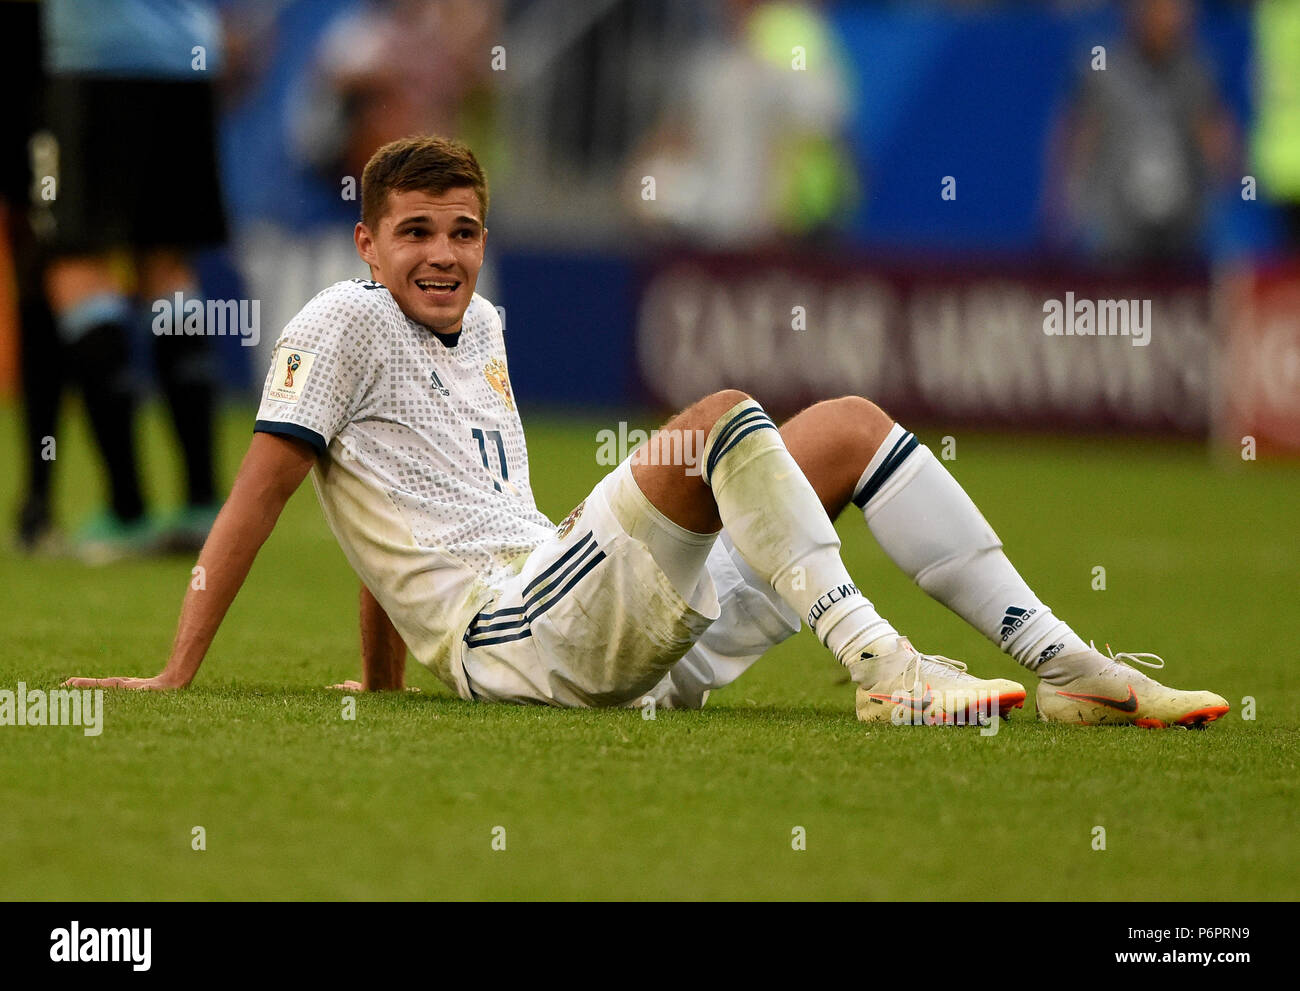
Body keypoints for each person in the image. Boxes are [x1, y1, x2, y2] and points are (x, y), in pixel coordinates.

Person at [66, 136, 1228, 729]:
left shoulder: (482, 328)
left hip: (588, 625)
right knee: (720, 417)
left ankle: (1074, 669)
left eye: (462, 230)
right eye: (413, 231)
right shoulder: (340, 323)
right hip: (520, 635)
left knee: (848, 427)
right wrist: (175, 672)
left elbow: (400, 507)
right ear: (366, 244)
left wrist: (382, 683)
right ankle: (887, 672)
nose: (442, 253)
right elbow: (260, 496)